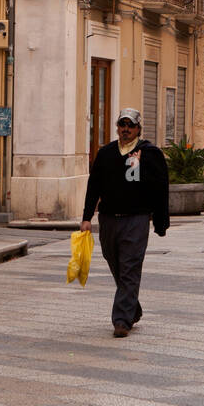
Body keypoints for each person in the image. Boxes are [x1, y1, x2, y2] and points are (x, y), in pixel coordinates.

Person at [80, 107, 169, 338]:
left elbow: (159, 189)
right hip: (109, 219)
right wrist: (86, 217)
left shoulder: (149, 153)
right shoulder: (106, 153)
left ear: (139, 129)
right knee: (116, 265)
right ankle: (133, 308)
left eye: (131, 125)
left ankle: (121, 320)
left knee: (129, 268)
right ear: (117, 127)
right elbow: (94, 186)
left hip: (136, 220)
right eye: (122, 125)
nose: (126, 129)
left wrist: (160, 222)